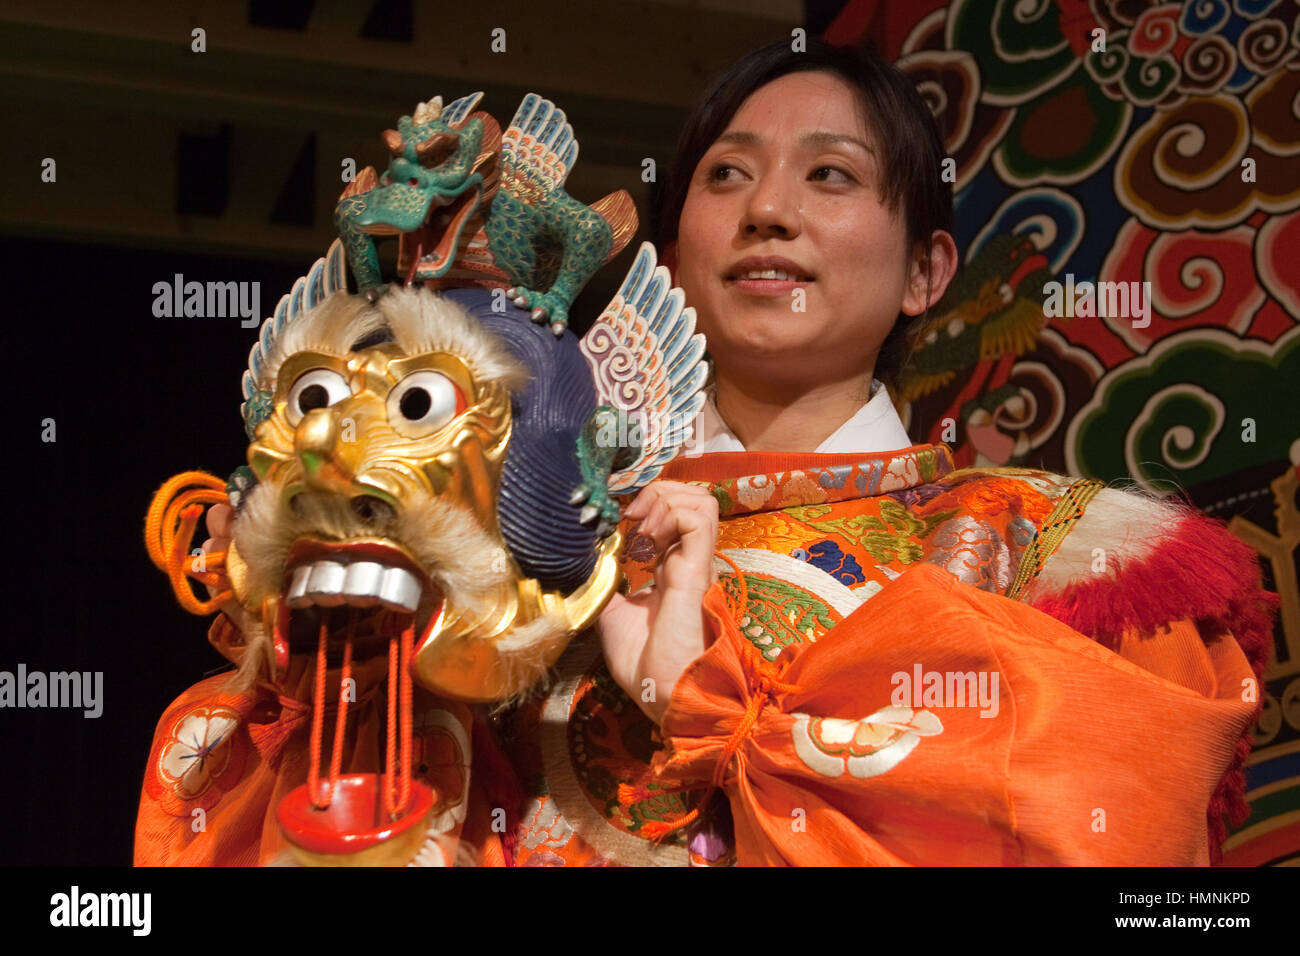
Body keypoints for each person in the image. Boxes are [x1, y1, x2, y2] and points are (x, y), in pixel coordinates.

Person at [171, 39, 1274, 867]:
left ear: (927, 271)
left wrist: (711, 704)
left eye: (831, 176)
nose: (769, 212)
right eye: (727, 177)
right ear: (672, 252)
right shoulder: (534, 543)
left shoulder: (1055, 551)